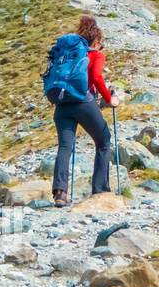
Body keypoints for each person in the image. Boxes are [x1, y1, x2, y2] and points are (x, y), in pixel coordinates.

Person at [51, 15, 119, 207]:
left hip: (62, 104)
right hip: (83, 102)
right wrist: (109, 99)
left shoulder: (69, 55)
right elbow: (96, 77)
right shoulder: (96, 55)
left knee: (65, 147)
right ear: (96, 42)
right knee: (104, 141)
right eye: (101, 44)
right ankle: (99, 189)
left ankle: (60, 193)